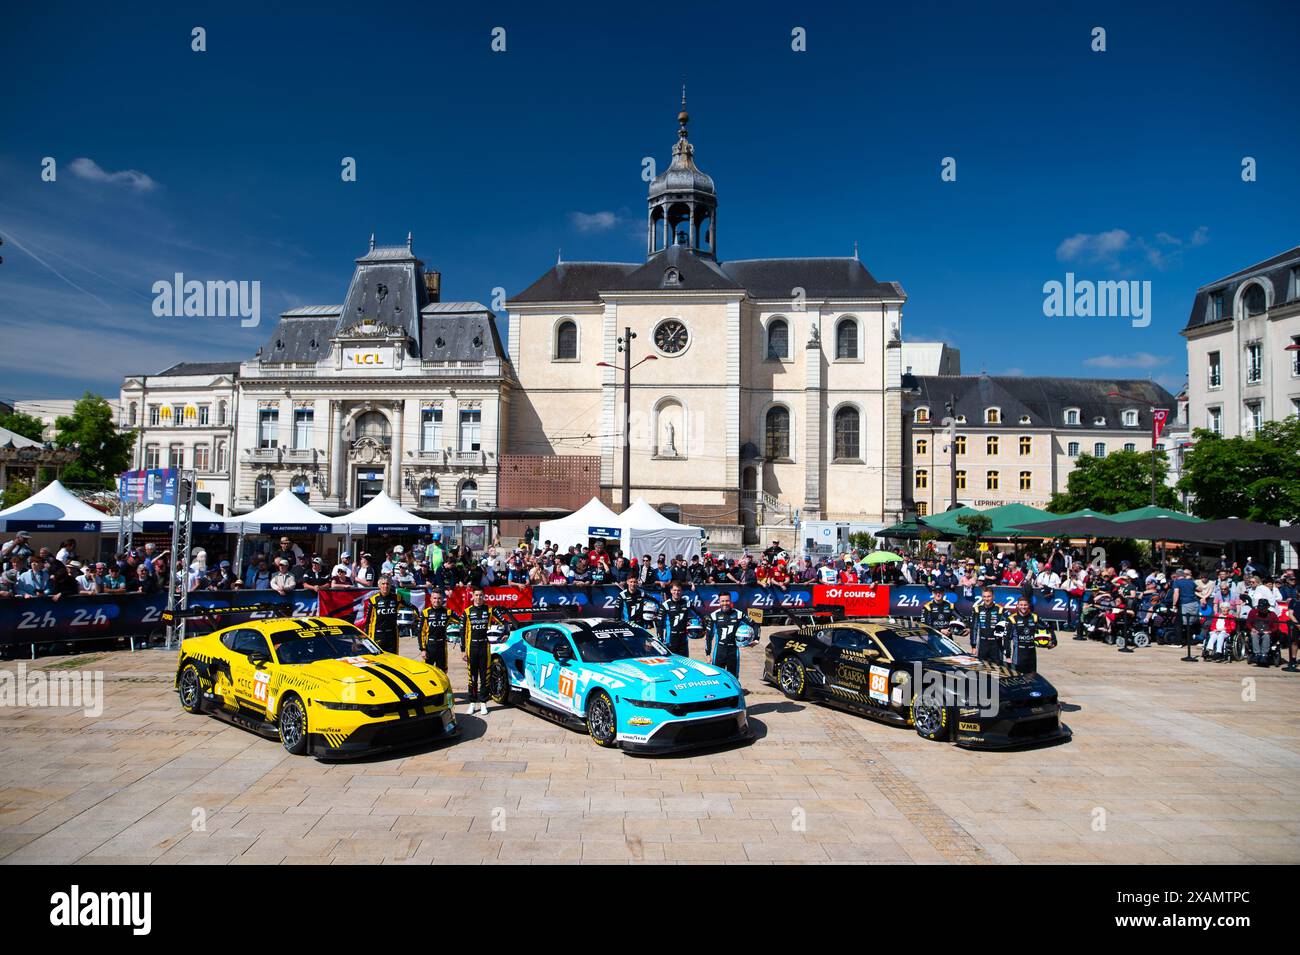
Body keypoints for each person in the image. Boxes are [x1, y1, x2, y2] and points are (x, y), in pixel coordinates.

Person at [459, 586, 502, 716]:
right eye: (476, 595)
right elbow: (462, 633)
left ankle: (483, 703)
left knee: (485, 677)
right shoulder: (467, 612)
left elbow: (504, 622)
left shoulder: (490, 610)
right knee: (472, 678)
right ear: (473, 596)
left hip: (485, 648)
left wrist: (504, 634)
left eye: (481, 595)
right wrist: (463, 650)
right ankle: (472, 703)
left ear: (484, 597)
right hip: (472, 649)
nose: (478, 598)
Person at [361, 575, 407, 654]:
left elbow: (411, 607)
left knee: (393, 660)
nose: (385, 586)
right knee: (378, 660)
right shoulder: (373, 600)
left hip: (392, 635)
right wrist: (367, 637)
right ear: (379, 586)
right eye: (383, 584)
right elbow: (368, 621)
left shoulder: (397, 598)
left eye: (387, 584)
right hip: (378, 635)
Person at [707, 592, 745, 679]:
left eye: (727, 601)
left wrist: (754, 640)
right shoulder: (714, 615)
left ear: (730, 601)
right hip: (719, 651)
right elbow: (709, 637)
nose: (725, 603)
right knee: (717, 677)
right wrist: (708, 654)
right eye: (722, 601)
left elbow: (754, 624)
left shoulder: (738, 614)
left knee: (733, 677)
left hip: (733, 651)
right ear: (719, 602)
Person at [1003, 596, 1042, 673]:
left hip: (1031, 654)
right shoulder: (1012, 619)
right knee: (1017, 678)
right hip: (1018, 655)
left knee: (1032, 678)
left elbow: (1047, 628)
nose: (1023, 607)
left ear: (1028, 605)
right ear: (1017, 605)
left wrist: (1052, 641)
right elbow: (1006, 638)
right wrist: (1008, 656)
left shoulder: (1034, 617)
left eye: (1025, 605)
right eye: (1021, 605)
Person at [659, 582, 698, 657]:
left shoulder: (687, 603)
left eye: (678, 590)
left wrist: (700, 622)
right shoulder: (665, 605)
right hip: (670, 639)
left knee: (685, 663)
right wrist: (660, 639)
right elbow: (660, 624)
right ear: (671, 591)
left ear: (682, 591)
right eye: (674, 590)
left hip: (683, 639)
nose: (676, 592)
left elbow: (698, 614)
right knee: (671, 663)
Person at [967, 588, 1005, 663]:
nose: (986, 599)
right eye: (984, 597)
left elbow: (1007, 628)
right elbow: (974, 628)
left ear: (993, 597)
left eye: (989, 596)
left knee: (997, 671)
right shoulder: (977, 609)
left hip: (996, 645)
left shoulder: (1000, 609)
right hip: (982, 644)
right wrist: (973, 646)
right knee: (982, 671)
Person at [420, 588, 451, 671]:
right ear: (430, 599)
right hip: (430, 646)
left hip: (442, 646)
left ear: (442, 599)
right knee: (428, 671)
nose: (437, 600)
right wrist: (422, 649)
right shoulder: (426, 613)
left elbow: (462, 621)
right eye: (434, 598)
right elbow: (420, 632)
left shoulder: (448, 612)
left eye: (439, 598)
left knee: (442, 672)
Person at [1244, 598, 1280, 666]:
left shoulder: (1272, 614)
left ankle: (1264, 654)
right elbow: (1248, 623)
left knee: (1266, 636)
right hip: (1256, 630)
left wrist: (1270, 631)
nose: (1262, 610)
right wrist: (1252, 629)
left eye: (1263, 608)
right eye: (1260, 608)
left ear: (1268, 607)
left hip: (1267, 632)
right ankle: (1257, 654)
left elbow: (1276, 627)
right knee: (1254, 635)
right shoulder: (1253, 612)